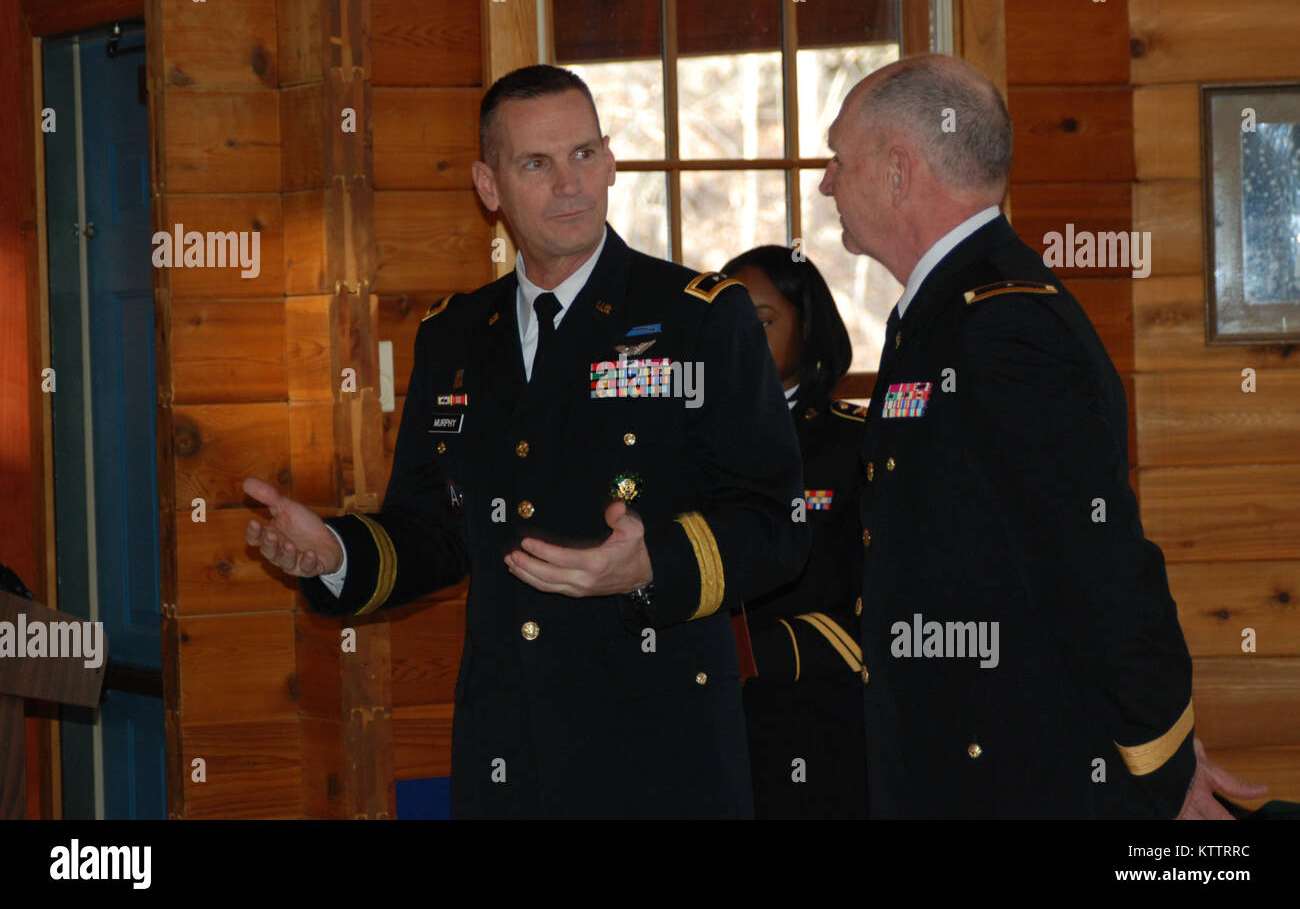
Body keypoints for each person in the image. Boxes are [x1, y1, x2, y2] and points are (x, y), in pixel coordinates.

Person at [240, 64, 809, 818]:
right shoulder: (454, 336)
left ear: (609, 162)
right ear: (488, 184)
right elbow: (435, 528)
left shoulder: (701, 317)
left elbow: (776, 526)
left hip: (660, 753)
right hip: (509, 747)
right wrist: (339, 554)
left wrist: (650, 563)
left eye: (583, 155)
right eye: (536, 164)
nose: (569, 184)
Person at [819, 53, 1267, 818]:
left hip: (1017, 772)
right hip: (955, 754)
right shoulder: (945, 310)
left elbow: (1094, 560)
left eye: (838, 157)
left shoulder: (1000, 327)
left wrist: (1159, 760)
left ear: (899, 172)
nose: (827, 182)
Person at [718, 246, 869, 819]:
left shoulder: (855, 444)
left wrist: (754, 651)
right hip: (708, 720)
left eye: (762, 321)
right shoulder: (689, 445)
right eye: (731, 325)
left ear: (809, 328)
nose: (743, 338)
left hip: (819, 714)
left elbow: (879, 598)